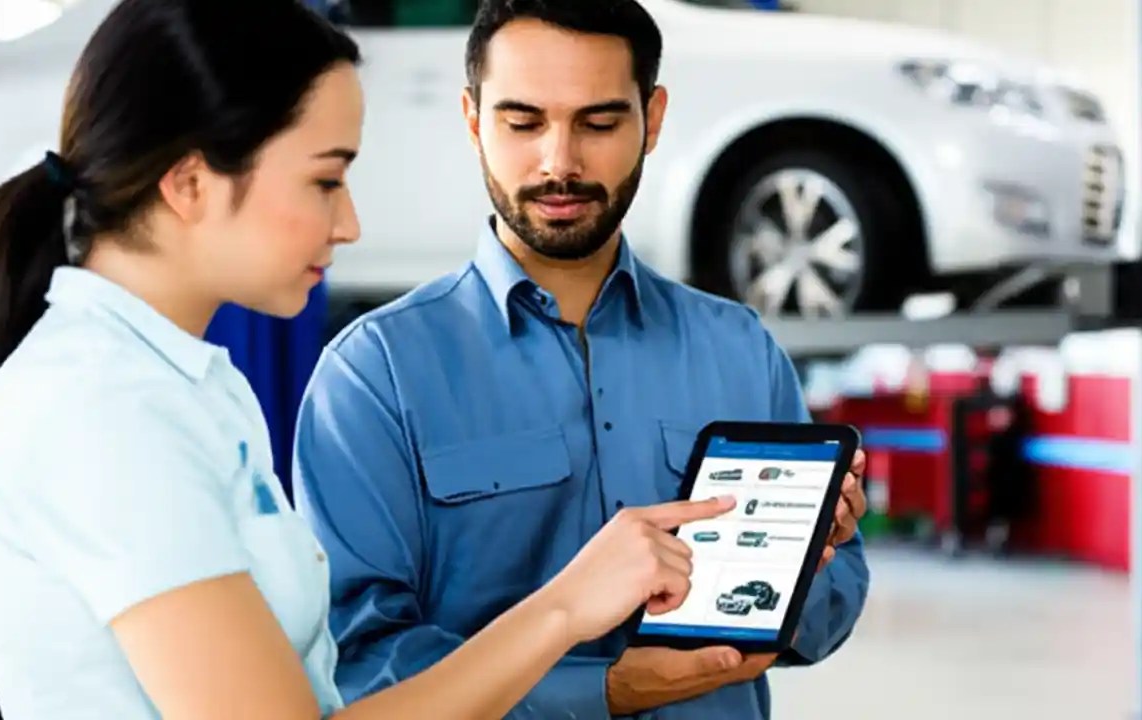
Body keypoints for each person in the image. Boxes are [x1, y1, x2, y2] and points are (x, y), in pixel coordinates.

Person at [0, 1, 735, 718]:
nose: (348, 223)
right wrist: (567, 608)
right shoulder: (107, 411)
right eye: (325, 180)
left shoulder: (190, 387)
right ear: (189, 183)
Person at [292, 0, 871, 717]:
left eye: (598, 123)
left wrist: (802, 558)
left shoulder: (740, 351)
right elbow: (360, 661)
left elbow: (828, 611)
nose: (559, 163)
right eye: (523, 122)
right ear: (473, 119)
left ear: (651, 119)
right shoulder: (373, 377)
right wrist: (606, 690)